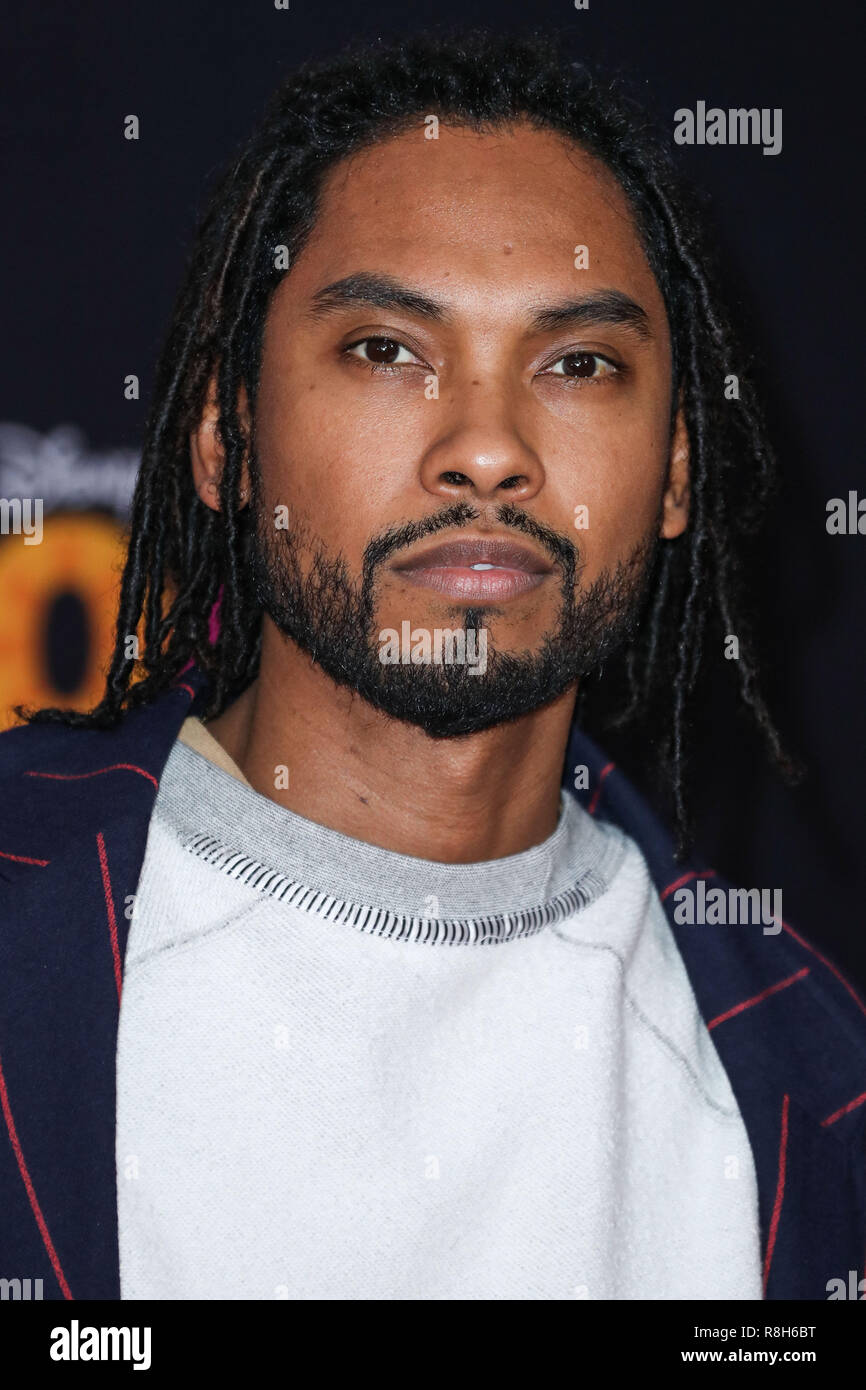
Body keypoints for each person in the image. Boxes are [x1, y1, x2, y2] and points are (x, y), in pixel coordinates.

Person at [1, 27, 864, 1302]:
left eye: (577, 364)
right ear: (225, 438)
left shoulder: (814, 1081)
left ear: (675, 470)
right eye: (385, 350)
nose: (483, 447)